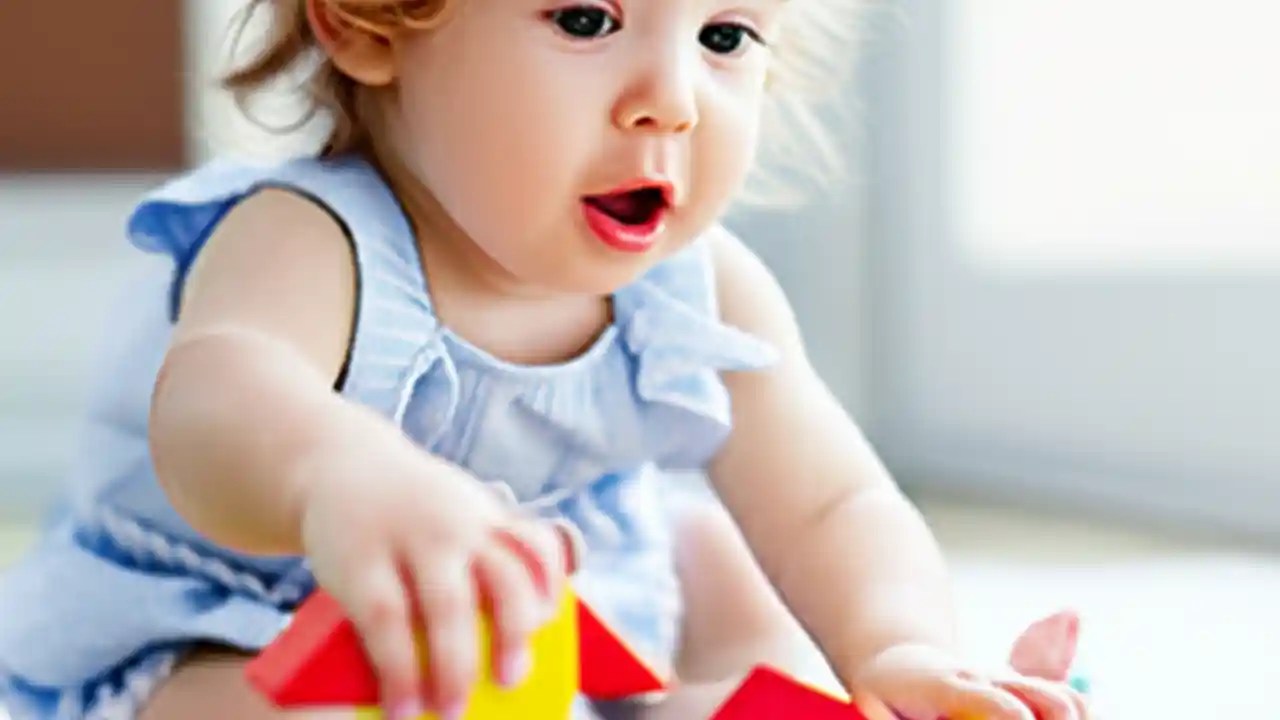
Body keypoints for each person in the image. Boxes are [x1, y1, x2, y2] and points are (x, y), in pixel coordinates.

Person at [0, 1, 1090, 719]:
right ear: (370, 24)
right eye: (586, 17)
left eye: (722, 36)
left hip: (580, 613)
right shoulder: (311, 237)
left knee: (733, 564)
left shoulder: (701, 286)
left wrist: (897, 644)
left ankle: (721, 700)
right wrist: (344, 478)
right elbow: (215, 403)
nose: (670, 97)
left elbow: (829, 503)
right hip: (254, 618)